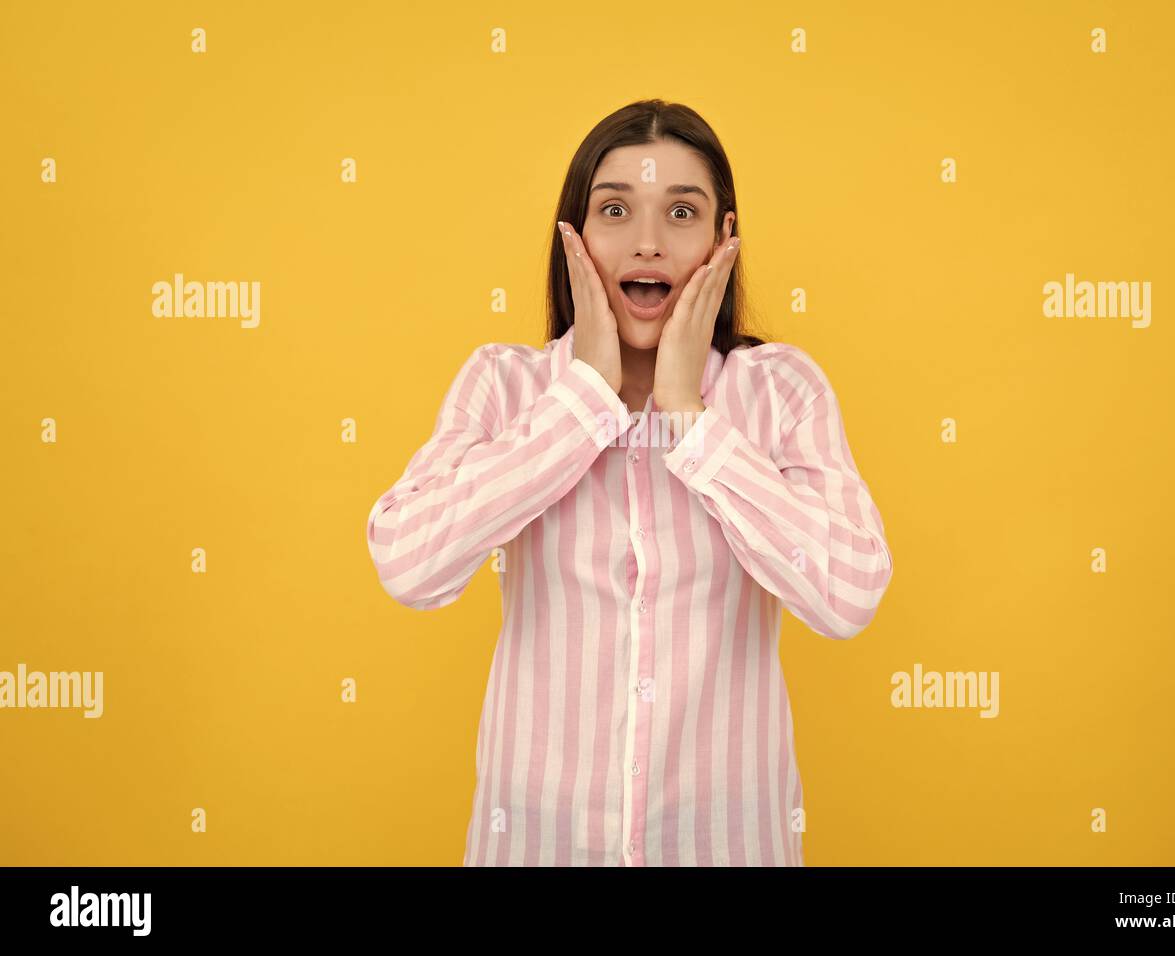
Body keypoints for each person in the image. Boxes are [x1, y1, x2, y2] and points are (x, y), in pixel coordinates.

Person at [365, 98, 894, 866]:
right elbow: (408, 564)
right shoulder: (505, 386)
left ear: (724, 240)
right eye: (616, 209)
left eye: (683, 212)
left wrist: (691, 416)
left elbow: (848, 595)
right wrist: (583, 398)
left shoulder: (782, 391)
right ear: (573, 238)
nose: (648, 243)